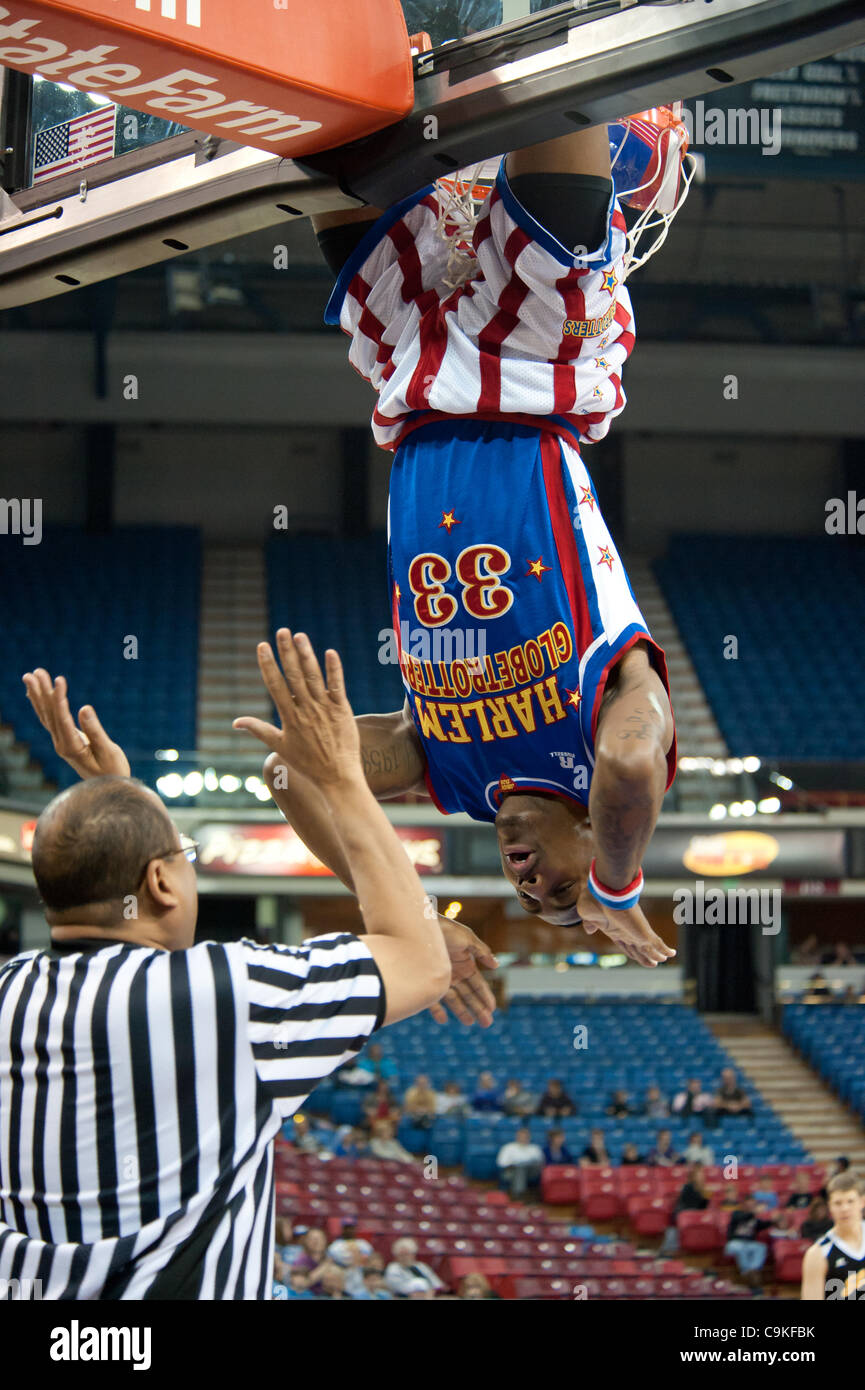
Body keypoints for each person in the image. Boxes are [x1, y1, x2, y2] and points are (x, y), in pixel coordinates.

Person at [253, 113, 692, 969]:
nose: (529, 886)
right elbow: (634, 765)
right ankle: (618, 124)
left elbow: (297, 778)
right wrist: (617, 883)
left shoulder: (449, 778)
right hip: (527, 370)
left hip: (408, 377)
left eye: (530, 900)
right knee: (554, 85)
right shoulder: (602, 741)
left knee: (334, 123)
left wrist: (408, 910)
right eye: (558, 888)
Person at [3, 649, 451, 1300]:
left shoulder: (11, 992)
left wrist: (118, 804)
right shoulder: (228, 994)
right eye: (183, 857)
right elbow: (419, 959)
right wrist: (341, 779)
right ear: (159, 882)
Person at [801, 1173, 865, 1300]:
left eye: (850, 1201)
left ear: (862, 1202)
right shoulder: (818, 1254)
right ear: (830, 1206)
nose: (845, 1208)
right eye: (838, 1203)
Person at [724, 1195, 772, 1290]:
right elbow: (743, 1218)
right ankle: (746, 1273)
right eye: (749, 1205)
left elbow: (763, 1224)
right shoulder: (736, 1214)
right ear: (744, 1205)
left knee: (761, 1247)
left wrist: (775, 1220)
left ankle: (753, 1270)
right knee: (741, 1248)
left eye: (753, 1205)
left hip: (749, 1244)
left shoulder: (754, 1219)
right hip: (734, 1243)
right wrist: (754, 1212)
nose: (751, 1207)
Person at [496, 1125, 545, 1197]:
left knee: (525, 1167)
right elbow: (501, 1163)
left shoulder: (535, 1148)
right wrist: (516, 1164)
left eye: (526, 1136)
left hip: (531, 1171)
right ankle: (519, 1195)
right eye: (521, 1136)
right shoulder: (508, 1147)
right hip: (511, 1171)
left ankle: (518, 1195)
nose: (523, 1138)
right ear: (517, 1137)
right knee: (520, 1168)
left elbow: (541, 1162)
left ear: (529, 1137)